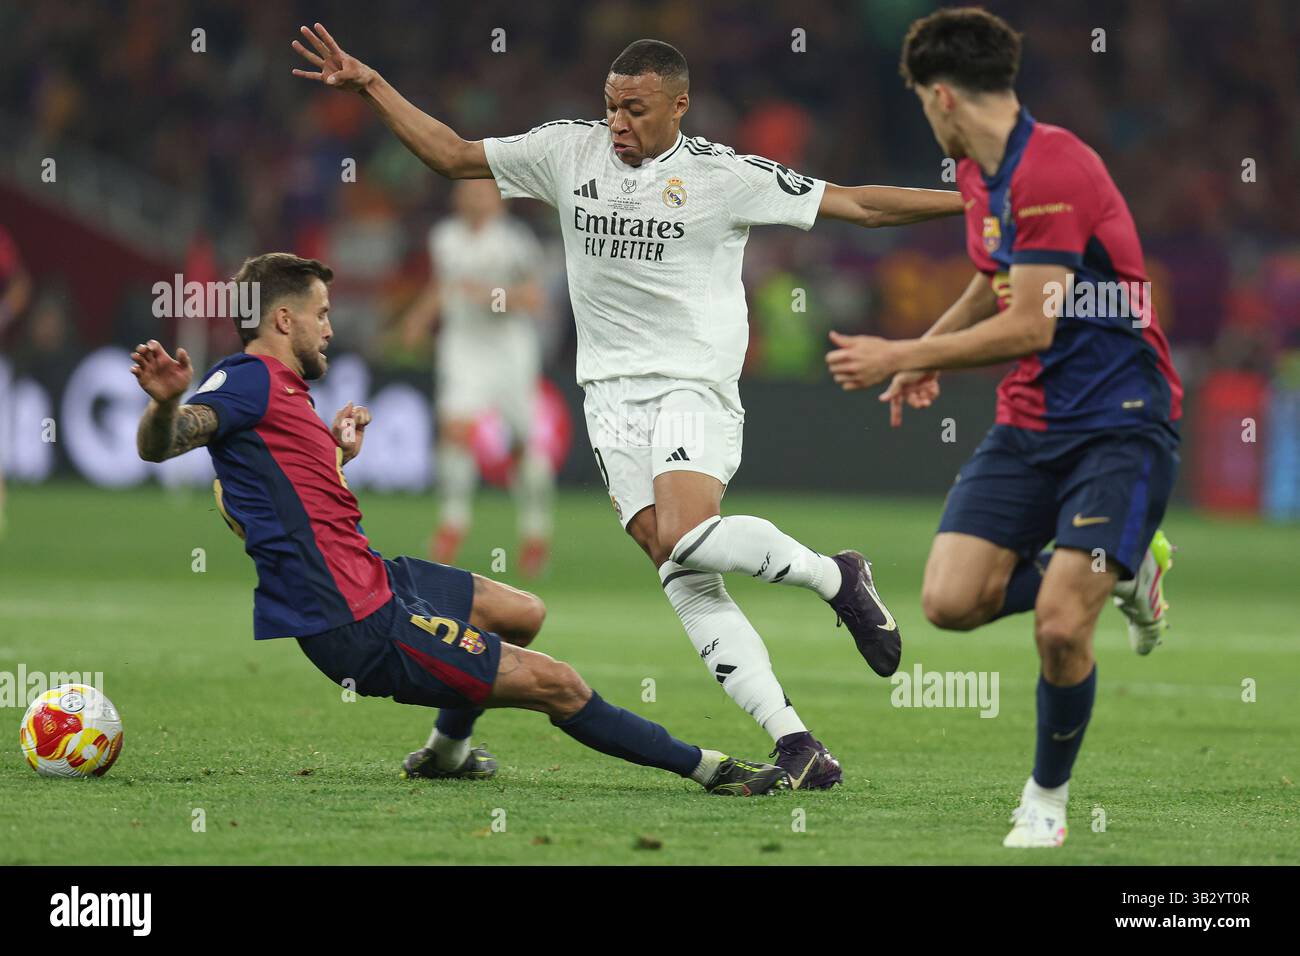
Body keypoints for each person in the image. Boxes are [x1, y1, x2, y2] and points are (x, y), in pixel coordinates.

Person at [292, 22, 965, 789]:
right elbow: (451, 155)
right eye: (611, 106)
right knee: (680, 568)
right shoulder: (566, 152)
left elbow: (860, 206)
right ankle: (796, 741)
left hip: (690, 384)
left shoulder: (725, 175)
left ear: (681, 106)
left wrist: (971, 205)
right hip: (609, 399)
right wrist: (373, 84)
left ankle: (835, 578)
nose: (618, 122)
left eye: (637, 109)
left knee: (685, 536)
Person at [130, 252, 790, 797]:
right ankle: (713, 769)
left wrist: (336, 455)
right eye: (321, 314)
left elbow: (278, 495)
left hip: (375, 577)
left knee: (521, 611)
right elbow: (167, 443)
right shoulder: (246, 379)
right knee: (556, 683)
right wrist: (165, 406)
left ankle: (447, 752)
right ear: (281, 317)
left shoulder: (284, 391)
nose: (331, 327)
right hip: (355, 621)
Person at [826, 8, 1181, 846]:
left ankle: (1047, 802)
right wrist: (931, 358)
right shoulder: (977, 169)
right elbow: (996, 284)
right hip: (1029, 423)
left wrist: (897, 352)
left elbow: (1032, 325)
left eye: (918, 97)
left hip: (1120, 424)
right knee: (949, 602)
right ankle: (1121, 567)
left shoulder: (1053, 168)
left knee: (1062, 623)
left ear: (941, 94)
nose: (921, 110)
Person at [401, 180, 554, 576]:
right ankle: (453, 524)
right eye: (467, 191)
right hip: (463, 346)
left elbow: (537, 299)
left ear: (497, 198)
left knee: (521, 444)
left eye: (482, 191)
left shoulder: (515, 241)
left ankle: (535, 530)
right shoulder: (444, 237)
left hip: (509, 349)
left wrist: (493, 296)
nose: (473, 198)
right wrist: (419, 318)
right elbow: (443, 285)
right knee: (454, 429)